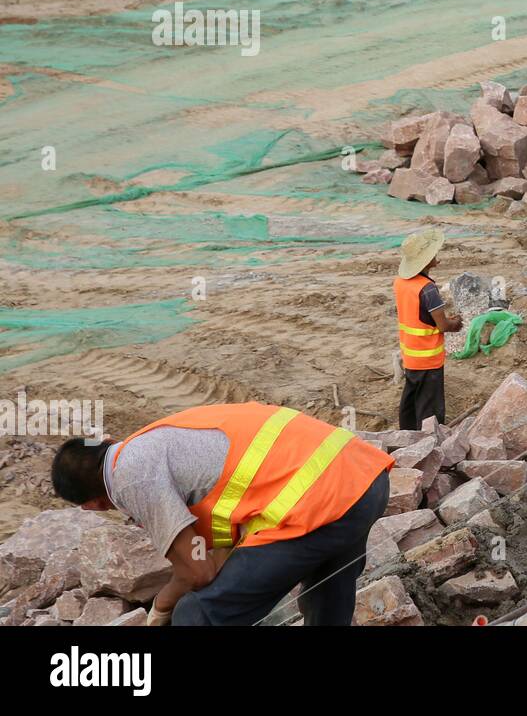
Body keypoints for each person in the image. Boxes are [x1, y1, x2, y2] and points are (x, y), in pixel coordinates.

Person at [50, 403, 393, 626]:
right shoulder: (158, 437)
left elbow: (198, 572)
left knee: (196, 615)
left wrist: (163, 607)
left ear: (92, 505)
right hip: (362, 478)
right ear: (107, 442)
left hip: (319, 500)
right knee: (326, 591)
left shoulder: (129, 476)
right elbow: (210, 550)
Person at [394, 228, 461, 430]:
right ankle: (428, 446)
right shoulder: (428, 289)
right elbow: (442, 325)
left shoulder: (401, 283)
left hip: (410, 355)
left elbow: (417, 315)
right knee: (429, 409)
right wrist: (456, 324)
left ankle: (405, 436)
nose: (435, 255)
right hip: (428, 357)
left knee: (411, 400)